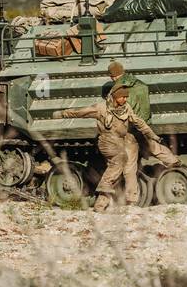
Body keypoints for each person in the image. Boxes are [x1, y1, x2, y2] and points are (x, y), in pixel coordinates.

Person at [55, 82, 178, 211]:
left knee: (125, 169)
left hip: (120, 141)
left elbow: (139, 122)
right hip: (107, 141)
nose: (125, 99)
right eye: (122, 97)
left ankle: (111, 202)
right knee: (118, 161)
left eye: (126, 97)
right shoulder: (101, 108)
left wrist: (153, 136)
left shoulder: (126, 108)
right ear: (114, 96)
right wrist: (63, 114)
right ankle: (103, 194)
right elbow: (81, 112)